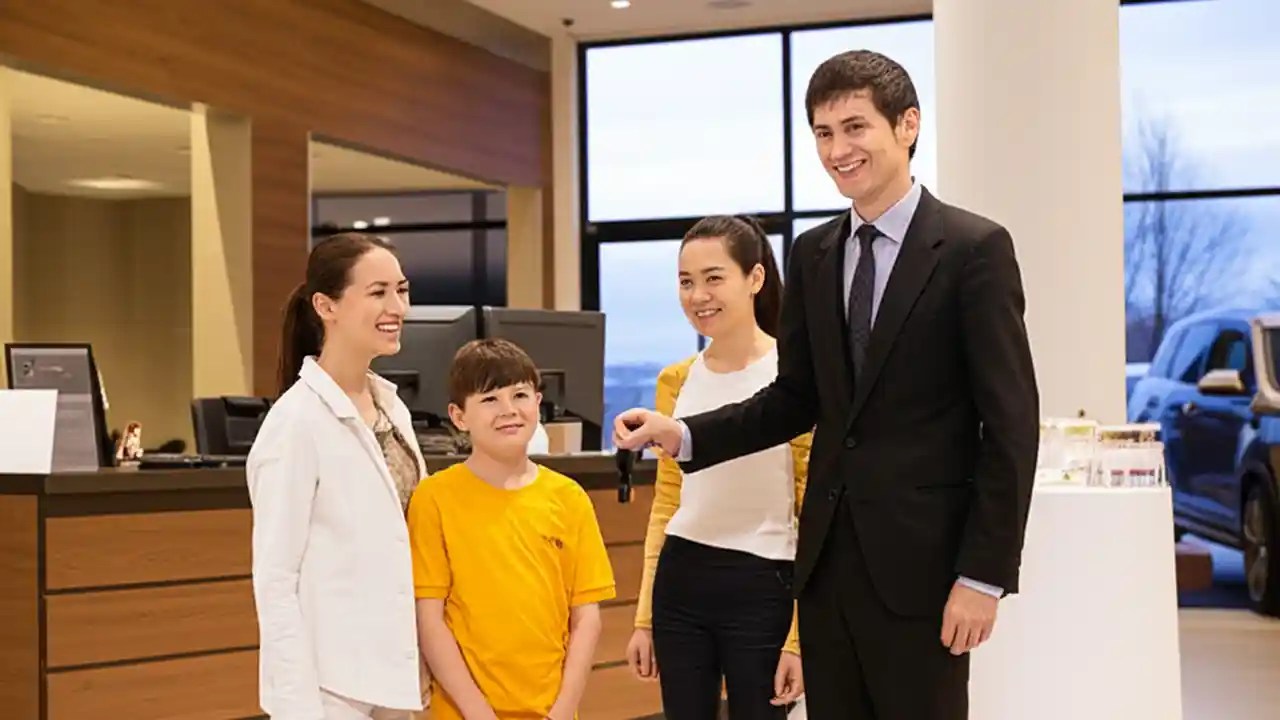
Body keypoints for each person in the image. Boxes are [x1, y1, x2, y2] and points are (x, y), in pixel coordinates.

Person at [613, 50, 1039, 719]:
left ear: (907, 126)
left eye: (854, 127)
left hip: (924, 575)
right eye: (822, 133)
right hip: (825, 573)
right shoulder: (813, 253)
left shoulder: (972, 250)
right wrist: (688, 433)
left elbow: (1010, 426)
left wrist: (982, 576)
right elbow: (795, 398)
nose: (838, 150)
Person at [625, 215, 809, 719]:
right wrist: (645, 617)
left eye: (713, 278)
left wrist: (797, 638)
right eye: (686, 282)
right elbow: (666, 503)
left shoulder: (795, 379)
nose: (697, 295)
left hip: (765, 585)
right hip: (683, 581)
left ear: (755, 278)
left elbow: (811, 508)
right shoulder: (676, 380)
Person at [247, 232, 428, 720]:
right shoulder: (295, 423)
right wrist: (297, 707)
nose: (398, 307)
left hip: (394, 673)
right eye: (377, 292)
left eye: (402, 290)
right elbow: (275, 579)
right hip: (331, 688)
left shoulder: (392, 408)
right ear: (325, 306)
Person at [408, 339, 616, 720]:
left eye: (519, 395)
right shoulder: (434, 498)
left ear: (538, 402)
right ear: (458, 416)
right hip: (463, 712)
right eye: (489, 399)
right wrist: (477, 712)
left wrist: (564, 708)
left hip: (551, 711)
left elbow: (587, 617)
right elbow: (429, 619)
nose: (508, 410)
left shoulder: (568, 498)